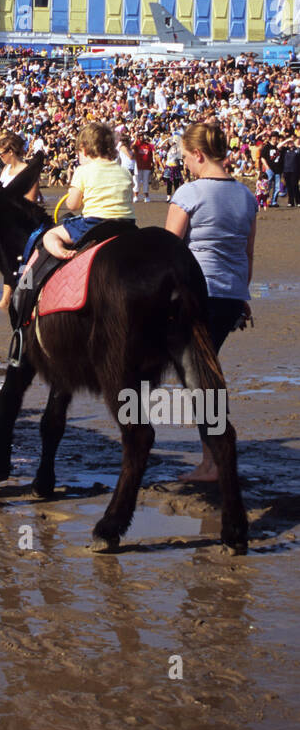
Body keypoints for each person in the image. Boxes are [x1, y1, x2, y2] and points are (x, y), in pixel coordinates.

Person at [165, 121, 257, 483]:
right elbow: (247, 255)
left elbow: (169, 251)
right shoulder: (247, 196)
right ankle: (212, 460)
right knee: (204, 374)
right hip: (231, 295)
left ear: (199, 154)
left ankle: (214, 462)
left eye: (186, 157)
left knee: (200, 379)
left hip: (196, 295)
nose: (185, 163)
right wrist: (241, 296)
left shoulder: (189, 193)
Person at [42, 121, 135, 261]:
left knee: (50, 235)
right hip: (127, 224)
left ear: (83, 149)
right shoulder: (124, 171)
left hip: (95, 224)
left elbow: (73, 205)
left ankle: (61, 251)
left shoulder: (83, 171)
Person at [0, 132, 42, 311]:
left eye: (1, 153)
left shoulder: (27, 171)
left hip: (23, 222)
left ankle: (27, 295)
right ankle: (5, 299)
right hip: (5, 221)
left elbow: (30, 200)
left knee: (25, 260)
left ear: (12, 151)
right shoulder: (5, 170)